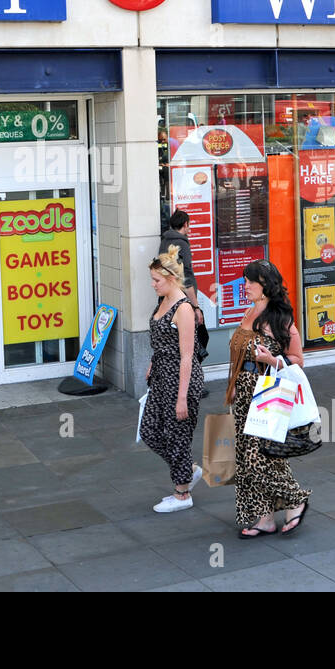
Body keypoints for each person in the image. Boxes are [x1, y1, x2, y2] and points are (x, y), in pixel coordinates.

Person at [224, 259, 310, 537]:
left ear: (265, 286)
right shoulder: (249, 312)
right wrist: (234, 382)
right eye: (245, 280)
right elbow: (238, 350)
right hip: (244, 392)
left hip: (268, 392)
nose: (245, 285)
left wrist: (272, 359)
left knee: (258, 457)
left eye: (251, 281)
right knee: (247, 457)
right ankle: (264, 518)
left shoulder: (278, 318)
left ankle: (296, 499)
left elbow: (298, 360)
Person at [140, 246, 204, 513]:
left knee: (177, 435)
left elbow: (187, 356)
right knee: (150, 430)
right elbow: (161, 340)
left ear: (171, 278)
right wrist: (153, 363)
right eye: (152, 280)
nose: (153, 285)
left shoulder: (184, 308)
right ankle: (187, 469)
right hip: (161, 376)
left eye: (157, 280)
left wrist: (181, 397)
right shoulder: (163, 301)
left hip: (181, 379)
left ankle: (182, 493)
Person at [159, 210, 202, 324]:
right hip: (181, 298)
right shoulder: (182, 243)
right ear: (185, 224)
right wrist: (196, 307)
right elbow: (186, 276)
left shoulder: (165, 240)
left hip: (166, 297)